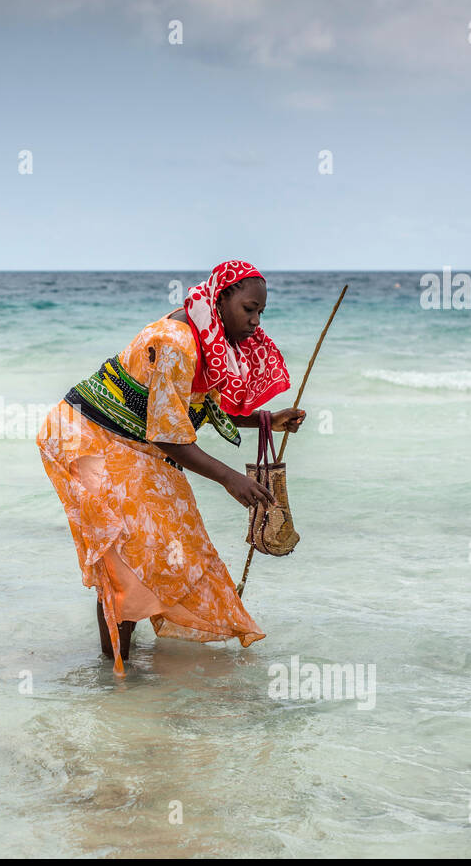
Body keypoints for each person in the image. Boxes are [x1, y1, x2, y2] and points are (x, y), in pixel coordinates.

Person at [36, 260, 307, 675]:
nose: (255, 322)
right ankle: (117, 678)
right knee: (127, 555)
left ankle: (127, 664)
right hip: (87, 438)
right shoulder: (177, 342)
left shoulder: (210, 336)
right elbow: (169, 436)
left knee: (173, 542)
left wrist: (267, 419)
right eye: (248, 309)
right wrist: (230, 479)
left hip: (138, 444)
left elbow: (193, 406)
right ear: (221, 299)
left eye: (260, 313)